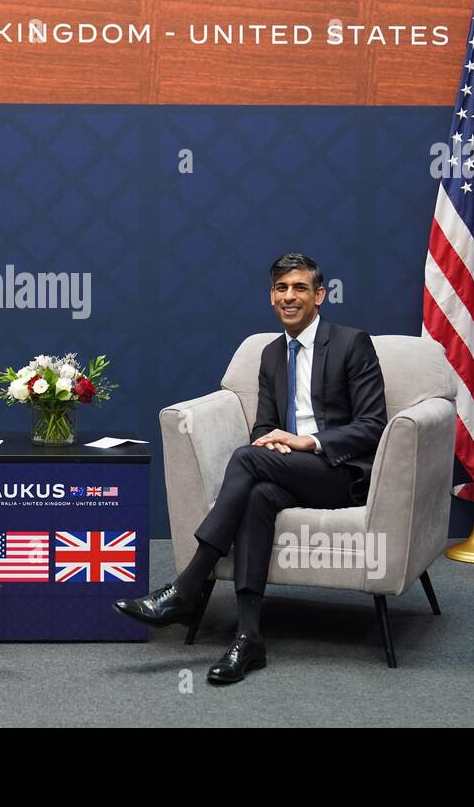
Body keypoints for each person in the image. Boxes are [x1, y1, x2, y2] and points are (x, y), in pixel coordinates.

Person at [114, 252, 387, 683]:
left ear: (320, 295)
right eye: (281, 288)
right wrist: (275, 443)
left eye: (300, 288)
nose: (290, 296)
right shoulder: (271, 354)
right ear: (271, 297)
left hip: (340, 473)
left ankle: (187, 587)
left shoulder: (352, 344)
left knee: (245, 458)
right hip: (291, 472)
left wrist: (308, 442)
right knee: (257, 494)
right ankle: (248, 639)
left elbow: (373, 426)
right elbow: (264, 426)